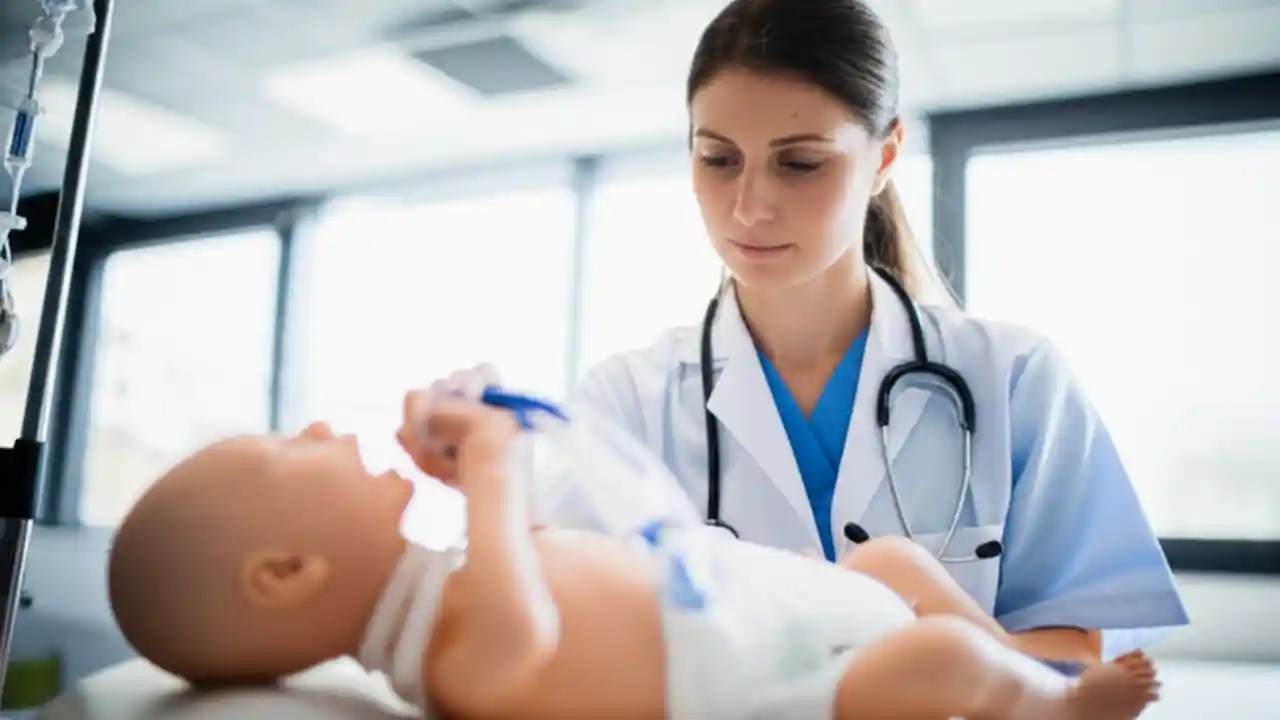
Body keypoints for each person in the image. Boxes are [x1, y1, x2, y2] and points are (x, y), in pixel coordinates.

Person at [571, 0, 1187, 663]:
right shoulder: (625, 405)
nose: (749, 207)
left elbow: (1106, 664)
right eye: (718, 159)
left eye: (801, 163)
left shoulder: (1013, 378)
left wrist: (955, 664)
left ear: (885, 156)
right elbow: (562, 649)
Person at [108, 391, 1162, 720]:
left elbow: (523, 545)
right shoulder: (439, 661)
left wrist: (468, 464)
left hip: (772, 607)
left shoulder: (445, 582)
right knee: (931, 665)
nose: (326, 434)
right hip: (783, 687)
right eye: (292, 455)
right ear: (286, 574)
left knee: (890, 561)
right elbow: (522, 640)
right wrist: (489, 473)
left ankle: (1031, 662)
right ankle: (1047, 706)